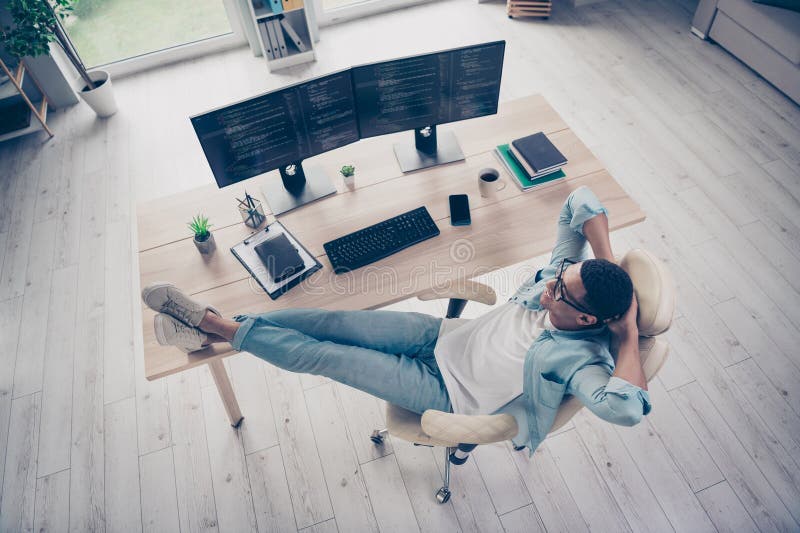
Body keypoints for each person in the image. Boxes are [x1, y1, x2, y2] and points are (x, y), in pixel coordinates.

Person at [143, 186, 650, 456]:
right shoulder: (563, 283)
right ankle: (210, 328)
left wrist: (627, 332)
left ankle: (212, 325)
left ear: (588, 317)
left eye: (560, 291)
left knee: (325, 356)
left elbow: (627, 410)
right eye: (558, 277)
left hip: (444, 391)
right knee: (332, 321)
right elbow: (580, 199)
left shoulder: (583, 360)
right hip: (442, 337)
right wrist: (605, 265)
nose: (548, 285)